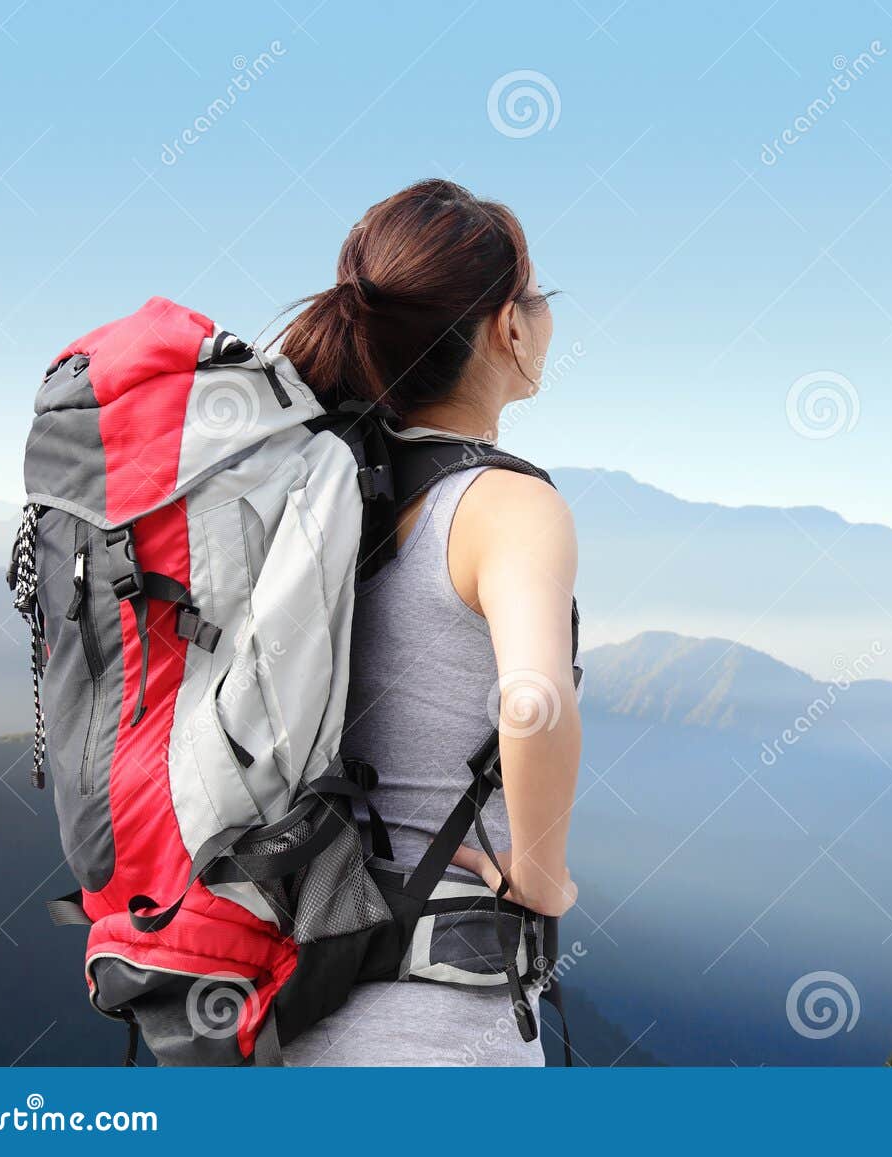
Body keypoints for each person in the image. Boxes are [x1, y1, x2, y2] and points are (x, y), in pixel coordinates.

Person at [276, 180, 581, 1065]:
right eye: (537, 294)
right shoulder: (507, 505)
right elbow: (534, 700)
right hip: (441, 1038)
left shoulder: (311, 495)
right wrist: (540, 876)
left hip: (289, 1013)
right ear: (508, 325)